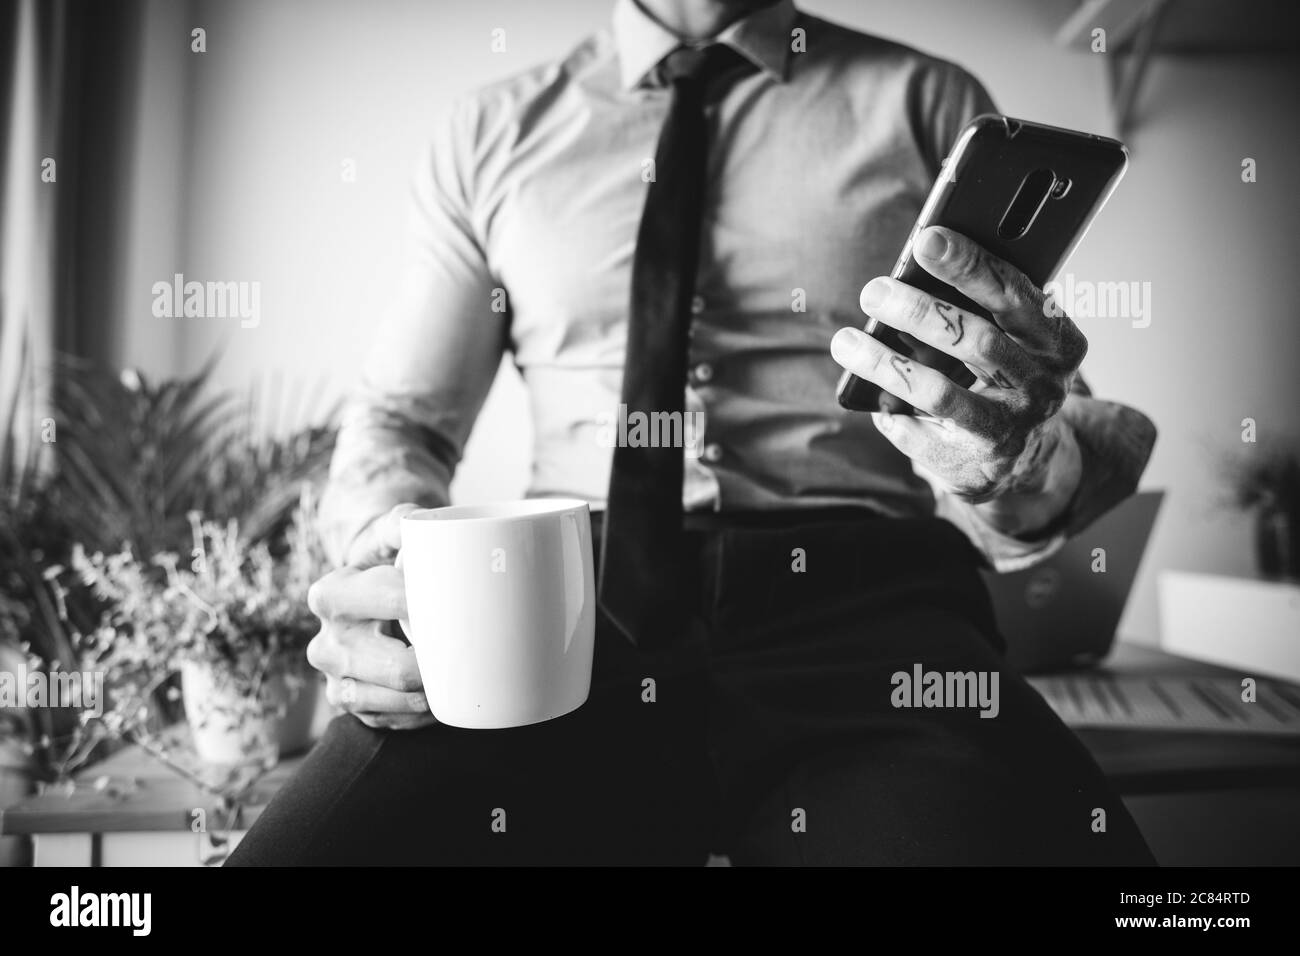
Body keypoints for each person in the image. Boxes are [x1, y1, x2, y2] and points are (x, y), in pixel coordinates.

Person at [228, 0, 1157, 865]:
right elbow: (402, 421)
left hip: (873, 620)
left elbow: (1053, 428)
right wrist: (384, 570)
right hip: (554, 619)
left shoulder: (929, 102)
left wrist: (1015, 452)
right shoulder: (490, 131)